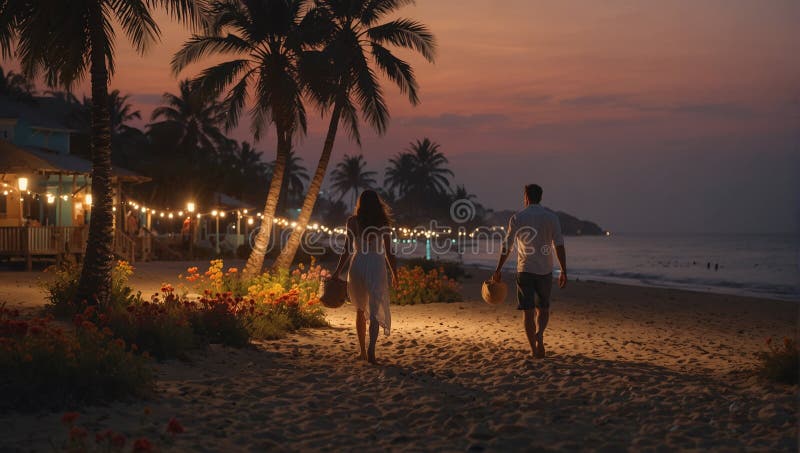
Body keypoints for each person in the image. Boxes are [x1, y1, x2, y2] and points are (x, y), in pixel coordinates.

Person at [491, 184, 567, 359]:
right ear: (540, 197)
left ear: (526, 197)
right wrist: (563, 270)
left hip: (525, 270)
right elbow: (559, 245)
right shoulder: (551, 217)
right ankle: (540, 334)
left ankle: (533, 349)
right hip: (545, 271)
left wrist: (498, 269)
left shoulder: (518, 217)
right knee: (544, 308)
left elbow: (507, 246)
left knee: (528, 311)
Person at [332, 190, 398, 364]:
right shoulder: (383, 222)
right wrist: (395, 274)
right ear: (378, 204)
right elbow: (389, 252)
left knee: (360, 310)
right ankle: (371, 351)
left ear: (360, 203)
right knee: (375, 310)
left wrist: (337, 271)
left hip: (358, 264)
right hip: (376, 264)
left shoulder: (353, 221)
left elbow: (346, 249)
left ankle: (362, 351)